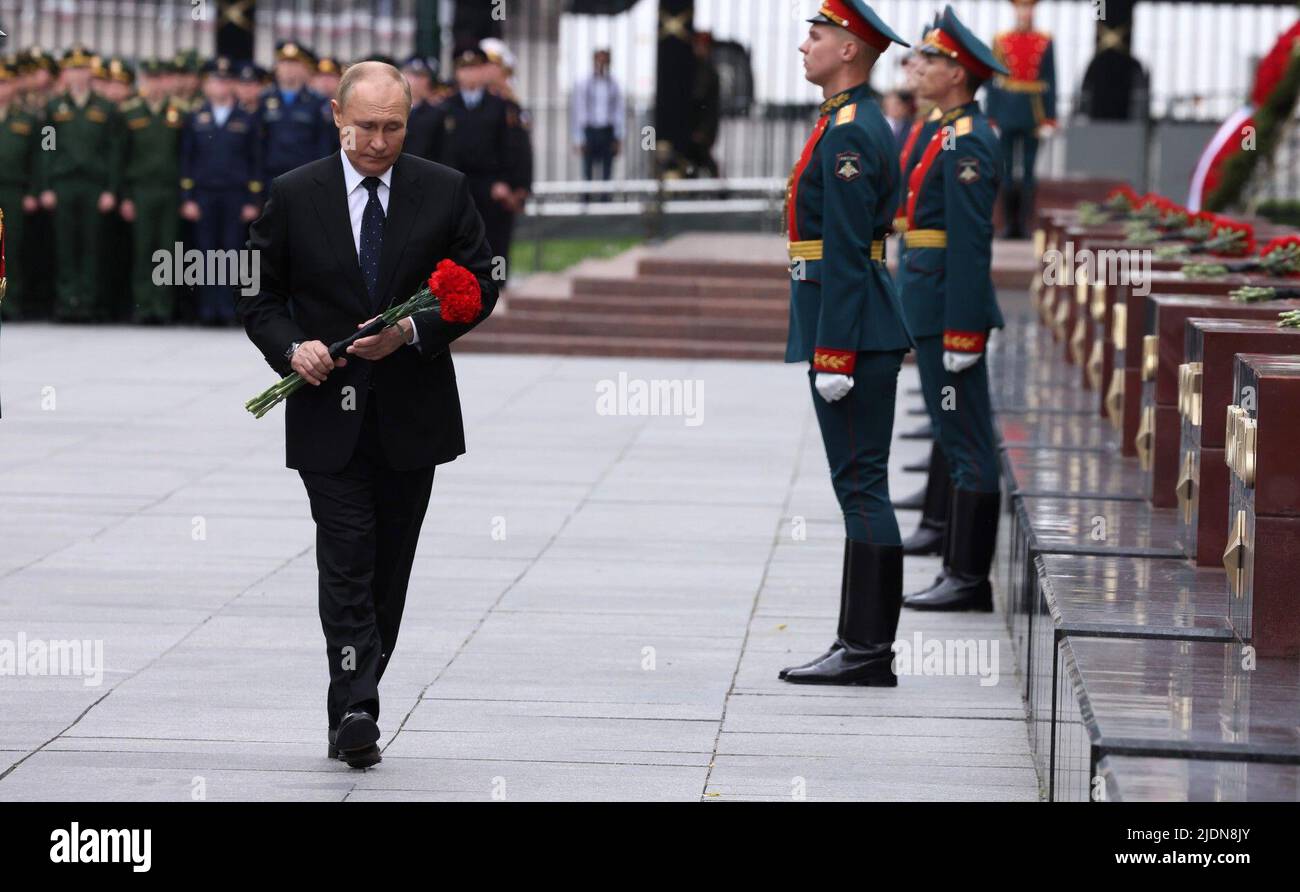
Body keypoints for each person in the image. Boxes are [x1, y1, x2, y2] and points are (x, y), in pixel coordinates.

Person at [236, 61, 498, 769]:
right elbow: (259, 298)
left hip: (412, 415)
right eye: (367, 127)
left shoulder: (443, 191)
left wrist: (413, 332)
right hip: (328, 413)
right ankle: (355, 706)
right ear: (336, 115)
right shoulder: (296, 195)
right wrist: (295, 350)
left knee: (389, 567)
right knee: (347, 556)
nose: (379, 141)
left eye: (393, 127)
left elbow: (480, 283)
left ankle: (357, 691)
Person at [779, 0, 913, 686]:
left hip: (853, 334)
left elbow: (845, 248)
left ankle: (866, 652)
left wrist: (833, 353)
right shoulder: (843, 121)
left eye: (819, 34)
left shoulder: (851, 132)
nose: (806, 45)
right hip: (850, 327)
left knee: (862, 488)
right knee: (858, 487)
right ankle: (856, 644)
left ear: (851, 50)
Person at [896, 5, 1006, 612]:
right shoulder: (949, 130)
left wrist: (964, 331)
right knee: (954, 432)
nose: (920, 64)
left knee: (967, 444)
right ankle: (955, 568)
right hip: (933, 304)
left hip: (949, 312)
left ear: (959, 73)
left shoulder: (968, 141)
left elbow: (969, 244)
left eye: (932, 58)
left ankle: (967, 578)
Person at [894, 19, 952, 559]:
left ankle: (942, 523)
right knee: (939, 405)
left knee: (949, 412)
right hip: (918, 267)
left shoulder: (951, 132)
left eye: (925, 61)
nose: (913, 68)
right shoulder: (927, 125)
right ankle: (936, 509)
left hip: (935, 280)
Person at [37, 45, 122, 322]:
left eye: (83, 69)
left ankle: (87, 301)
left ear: (90, 72)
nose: (78, 75)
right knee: (65, 245)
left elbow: (113, 151)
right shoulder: (54, 108)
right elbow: (46, 149)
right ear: (66, 73)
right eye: (73, 69)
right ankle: (66, 301)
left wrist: (111, 189)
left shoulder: (105, 108)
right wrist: (46, 186)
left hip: (94, 185)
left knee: (91, 245)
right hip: (64, 184)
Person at [180, 56, 263, 326]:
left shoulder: (246, 119)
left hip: (234, 194)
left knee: (231, 252)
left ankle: (228, 308)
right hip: (204, 193)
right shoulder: (196, 117)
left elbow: (255, 161)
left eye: (226, 81)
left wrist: (253, 199)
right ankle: (207, 308)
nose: (220, 86)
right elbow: (187, 160)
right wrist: (188, 197)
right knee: (204, 252)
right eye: (216, 80)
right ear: (207, 85)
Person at [432, 48, 518, 283]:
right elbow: (440, 149)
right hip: (455, 180)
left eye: (474, 68)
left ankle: (494, 283)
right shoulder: (446, 106)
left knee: (492, 235)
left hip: (488, 182)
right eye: (464, 69)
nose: (469, 74)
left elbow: (508, 147)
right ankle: (460, 283)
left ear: (483, 72)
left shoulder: (499, 106)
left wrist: (504, 181)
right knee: (457, 233)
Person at [119, 59, 187, 324]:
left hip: (169, 190)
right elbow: (122, 156)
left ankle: (162, 306)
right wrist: (125, 195)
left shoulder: (180, 112)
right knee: (143, 248)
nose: (156, 84)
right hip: (141, 190)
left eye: (161, 79)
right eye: (151, 79)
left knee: (167, 250)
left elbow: (185, 154)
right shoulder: (131, 113)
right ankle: (143, 304)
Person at [984, 0, 1056, 239]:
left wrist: (1050, 118)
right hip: (1006, 111)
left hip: (1032, 112)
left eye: (1028, 7)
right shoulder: (1001, 40)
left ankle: (1025, 225)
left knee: (1028, 172)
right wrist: (991, 116)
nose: (1024, 12)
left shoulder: (1045, 40)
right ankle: (1006, 224)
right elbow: (992, 82)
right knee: (1003, 171)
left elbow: (1051, 81)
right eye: (1021, 7)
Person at [259, 41, 334, 181]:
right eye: (283, 63)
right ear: (276, 67)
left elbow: (324, 144)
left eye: (294, 64)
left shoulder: (317, 102)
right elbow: (257, 144)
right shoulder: (264, 99)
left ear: (305, 68)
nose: (288, 69)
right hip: (271, 176)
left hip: (305, 176)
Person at [0, 57, 38, 322]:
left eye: (4, 82)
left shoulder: (27, 119)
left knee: (11, 248)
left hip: (13, 189)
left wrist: (34, 190)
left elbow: (39, 158)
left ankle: (10, 302)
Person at [572, 49, 624, 182]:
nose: (602, 64)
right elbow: (579, 111)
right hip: (590, 131)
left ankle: (606, 200)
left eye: (605, 61)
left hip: (607, 131)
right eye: (599, 60)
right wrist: (578, 138)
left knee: (607, 172)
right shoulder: (585, 83)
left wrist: (618, 136)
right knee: (587, 171)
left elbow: (618, 110)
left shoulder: (614, 84)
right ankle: (587, 200)